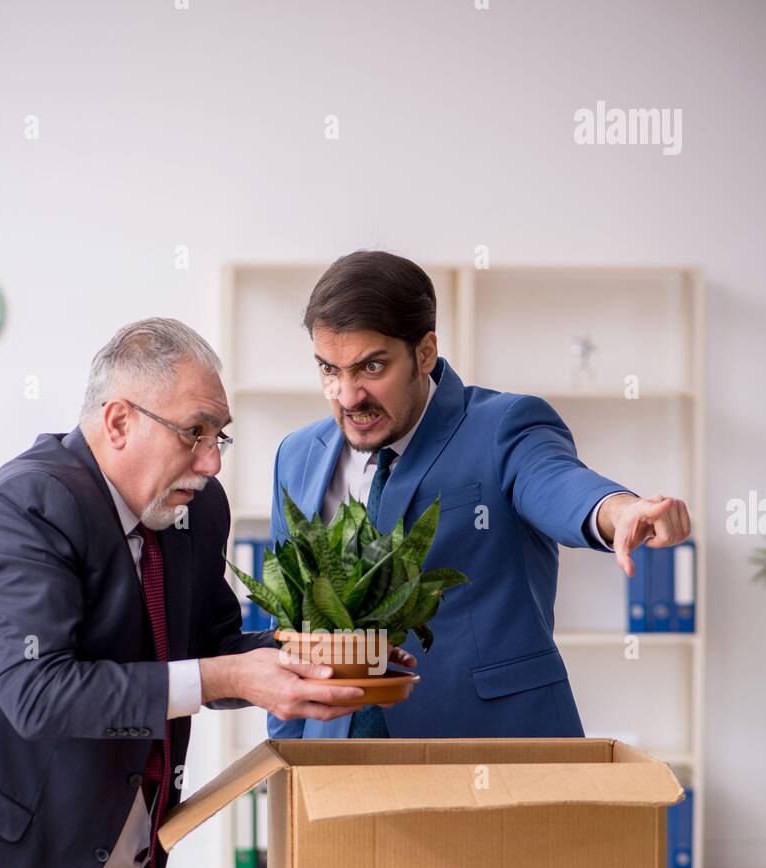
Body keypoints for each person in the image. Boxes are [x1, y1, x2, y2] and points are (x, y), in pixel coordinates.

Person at [0, 318, 369, 868]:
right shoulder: (27, 505)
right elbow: (39, 691)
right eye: (195, 432)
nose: (212, 463)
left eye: (221, 436)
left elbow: (210, 639)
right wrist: (227, 678)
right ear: (118, 421)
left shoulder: (195, 509)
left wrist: (314, 655)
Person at [267, 250, 691, 741]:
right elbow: (291, 623)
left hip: (490, 748)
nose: (347, 396)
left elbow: (557, 483)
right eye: (328, 370)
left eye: (371, 367)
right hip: (336, 761)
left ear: (425, 352)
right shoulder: (297, 456)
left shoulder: (502, 426)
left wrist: (620, 511)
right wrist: (286, 757)